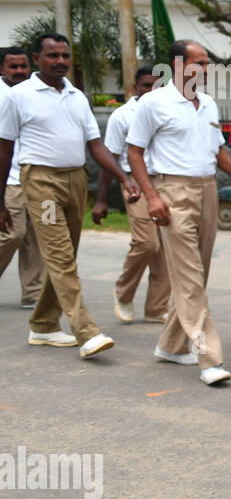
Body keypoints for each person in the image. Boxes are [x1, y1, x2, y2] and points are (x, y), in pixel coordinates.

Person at [0, 33, 138, 357]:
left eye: (64, 55)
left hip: (76, 181)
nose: (60, 61)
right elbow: (4, 151)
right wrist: (1, 200)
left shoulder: (77, 96)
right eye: (53, 55)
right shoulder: (17, 97)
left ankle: (44, 325)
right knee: (60, 256)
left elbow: (96, 145)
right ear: (38, 58)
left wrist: (123, 178)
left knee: (66, 255)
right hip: (41, 183)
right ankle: (86, 331)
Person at [127, 40, 231, 386]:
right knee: (190, 275)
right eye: (200, 63)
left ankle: (170, 344)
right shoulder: (154, 103)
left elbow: (217, 150)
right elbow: (134, 153)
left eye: (208, 63)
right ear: (178, 66)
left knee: (198, 271)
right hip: (172, 192)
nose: (207, 69)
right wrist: (152, 197)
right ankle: (208, 357)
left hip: (207, 189)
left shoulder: (208, 103)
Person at [95, 64, 167, 324]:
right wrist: (101, 199)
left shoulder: (169, 110)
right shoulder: (122, 116)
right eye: (146, 85)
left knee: (165, 247)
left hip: (165, 181)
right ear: (136, 87)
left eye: (157, 86)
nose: (151, 91)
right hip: (135, 182)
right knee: (147, 243)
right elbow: (109, 159)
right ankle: (123, 292)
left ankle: (156, 307)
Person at [0, 45, 44, 308]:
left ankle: (33, 294)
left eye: (23, 66)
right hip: (10, 180)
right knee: (11, 235)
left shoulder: (33, 93)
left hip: (36, 177)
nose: (19, 71)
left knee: (37, 237)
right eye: (13, 66)